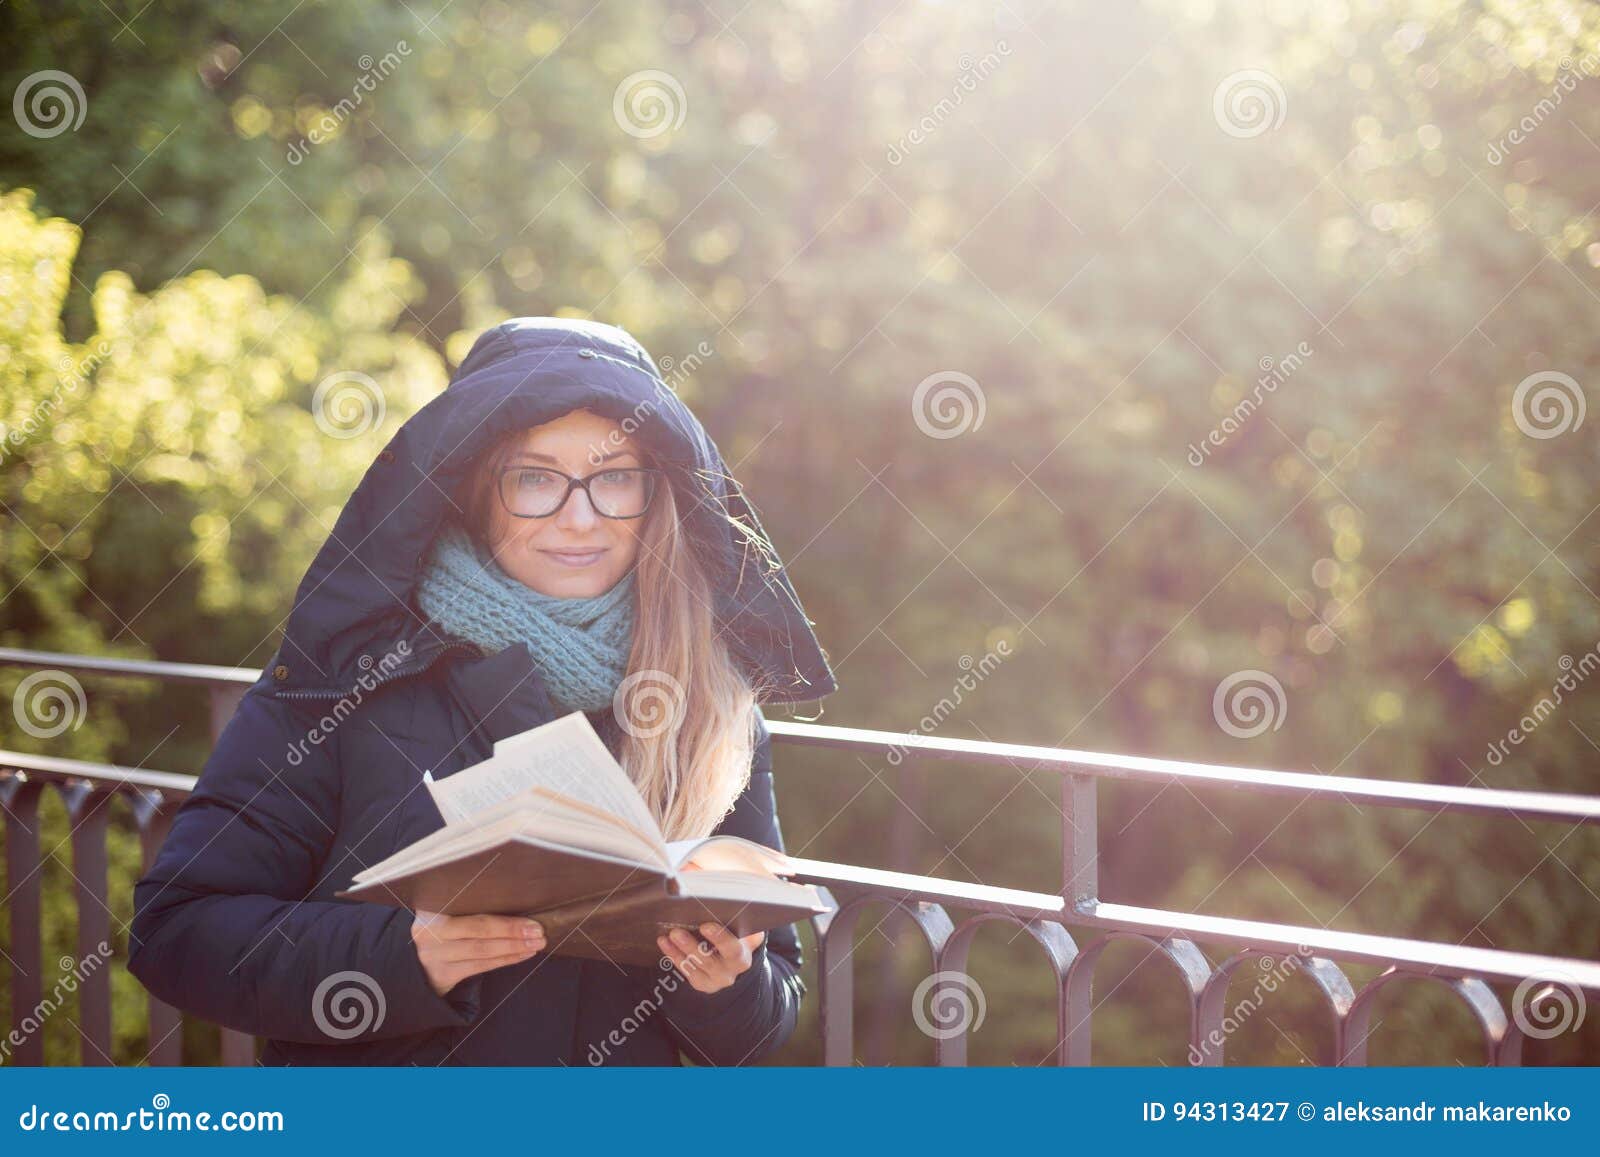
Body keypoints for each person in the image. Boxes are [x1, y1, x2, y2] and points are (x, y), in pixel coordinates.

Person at [127, 317, 838, 1065]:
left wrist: (724, 982)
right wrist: (402, 958)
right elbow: (178, 931)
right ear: (471, 492)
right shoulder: (355, 671)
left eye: (615, 476)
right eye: (535, 477)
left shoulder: (714, 700)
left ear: (656, 494)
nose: (579, 515)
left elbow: (770, 1011)